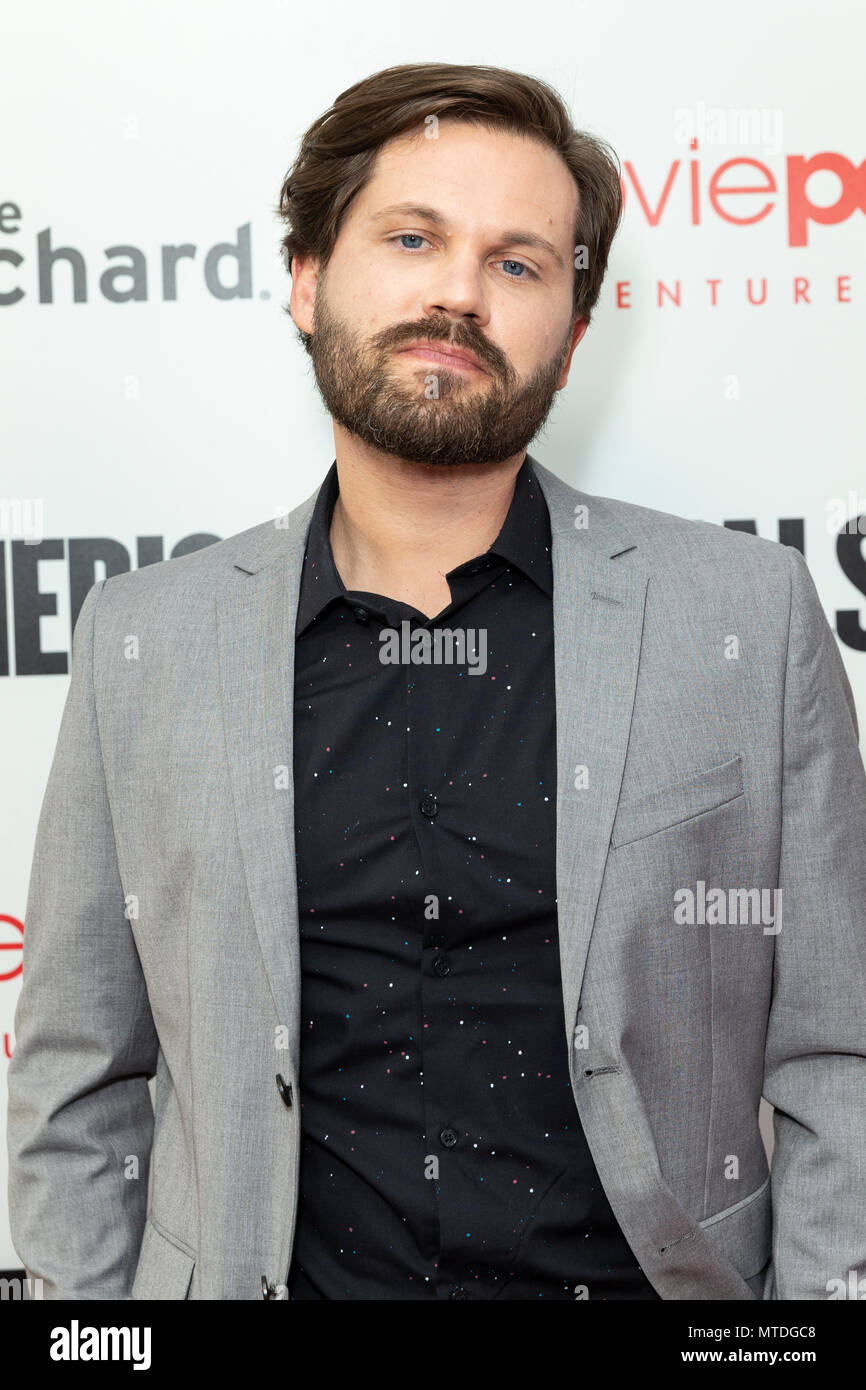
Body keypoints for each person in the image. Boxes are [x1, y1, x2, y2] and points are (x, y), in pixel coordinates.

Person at [7, 61, 865, 1301]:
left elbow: (837, 1050)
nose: (458, 292)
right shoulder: (144, 640)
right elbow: (75, 1074)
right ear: (305, 280)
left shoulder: (743, 615)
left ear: (569, 341)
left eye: (518, 264)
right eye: (412, 238)